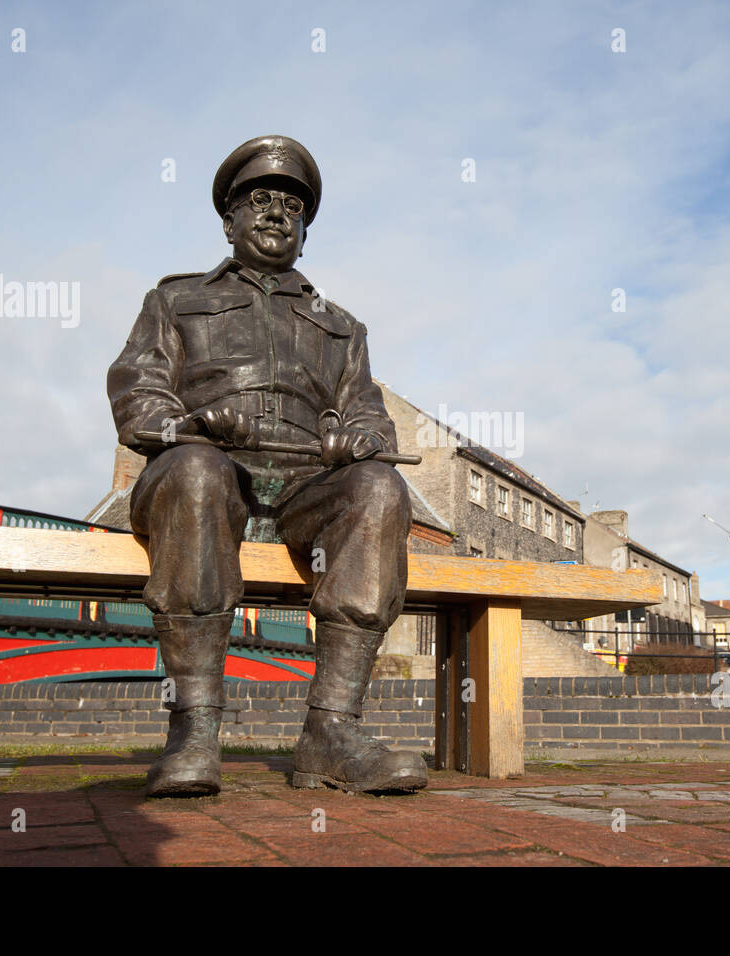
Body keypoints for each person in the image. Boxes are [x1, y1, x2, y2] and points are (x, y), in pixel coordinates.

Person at [107, 135, 425, 796]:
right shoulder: (173, 301)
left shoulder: (342, 327)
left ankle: (331, 732)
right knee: (196, 474)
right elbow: (139, 395)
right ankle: (194, 728)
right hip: (203, 471)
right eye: (259, 201)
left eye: (291, 206)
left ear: (305, 232)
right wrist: (190, 427)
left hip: (309, 484)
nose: (277, 214)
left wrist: (355, 438)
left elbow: (368, 413)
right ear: (229, 221)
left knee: (380, 488)